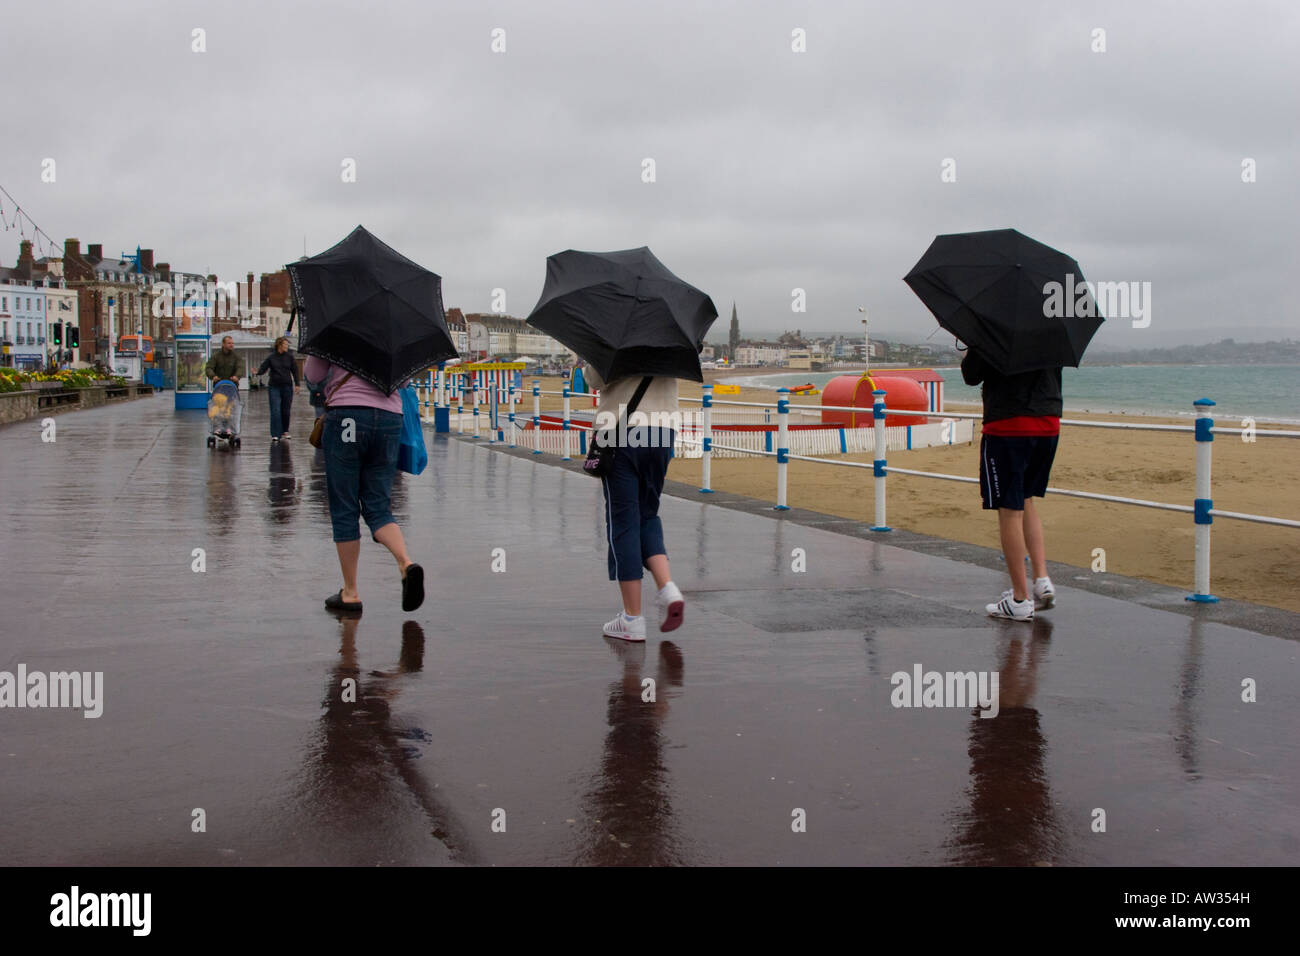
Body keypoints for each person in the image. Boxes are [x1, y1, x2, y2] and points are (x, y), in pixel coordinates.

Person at [303, 355, 423, 614]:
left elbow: (313, 376)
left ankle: (350, 592)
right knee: (378, 506)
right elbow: (404, 381)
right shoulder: (392, 332)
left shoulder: (336, 328)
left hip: (347, 417)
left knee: (344, 505)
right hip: (389, 419)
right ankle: (406, 563)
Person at [584, 363, 685, 642]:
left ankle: (632, 618)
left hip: (620, 431)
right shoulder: (670, 332)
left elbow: (595, 379)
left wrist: (585, 359)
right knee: (647, 514)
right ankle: (667, 588)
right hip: (663, 433)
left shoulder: (613, 330)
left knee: (624, 521)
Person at [960, 347, 1061, 621]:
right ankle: (1041, 579)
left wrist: (972, 347)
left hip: (1009, 424)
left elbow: (971, 375)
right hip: (1048, 420)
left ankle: (1019, 598)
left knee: (1009, 509)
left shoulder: (993, 327)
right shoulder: (1050, 320)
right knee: (1026, 498)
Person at [257, 336, 301, 442]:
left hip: (287, 386)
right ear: (279, 345)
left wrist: (297, 384)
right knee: (275, 410)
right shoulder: (271, 357)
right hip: (274, 386)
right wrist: (257, 372)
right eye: (285, 344)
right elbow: (263, 368)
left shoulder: (290, 357)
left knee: (286, 410)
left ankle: (285, 431)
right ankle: (275, 434)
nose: (287, 346)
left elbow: (295, 371)